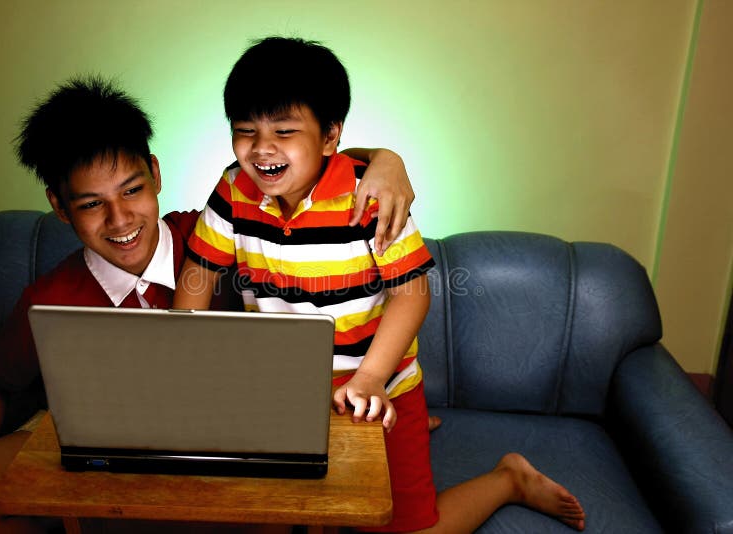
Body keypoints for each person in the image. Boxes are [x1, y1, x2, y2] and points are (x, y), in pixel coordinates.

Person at [0, 76, 418, 534]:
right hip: (99, 446)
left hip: (224, 440)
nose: (120, 219)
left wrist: (384, 159)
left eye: (132, 190)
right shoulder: (51, 297)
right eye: (90, 204)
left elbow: (303, 168)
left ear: (155, 174)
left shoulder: (223, 236)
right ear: (60, 207)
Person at [173, 37, 587, 533]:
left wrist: (370, 378)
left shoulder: (370, 196)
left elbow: (412, 292)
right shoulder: (233, 190)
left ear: (330, 136)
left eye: (284, 131)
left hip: (376, 388)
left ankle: (507, 479)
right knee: (273, 515)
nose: (262, 148)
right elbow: (198, 274)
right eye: (245, 132)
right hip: (279, 395)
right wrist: (185, 356)